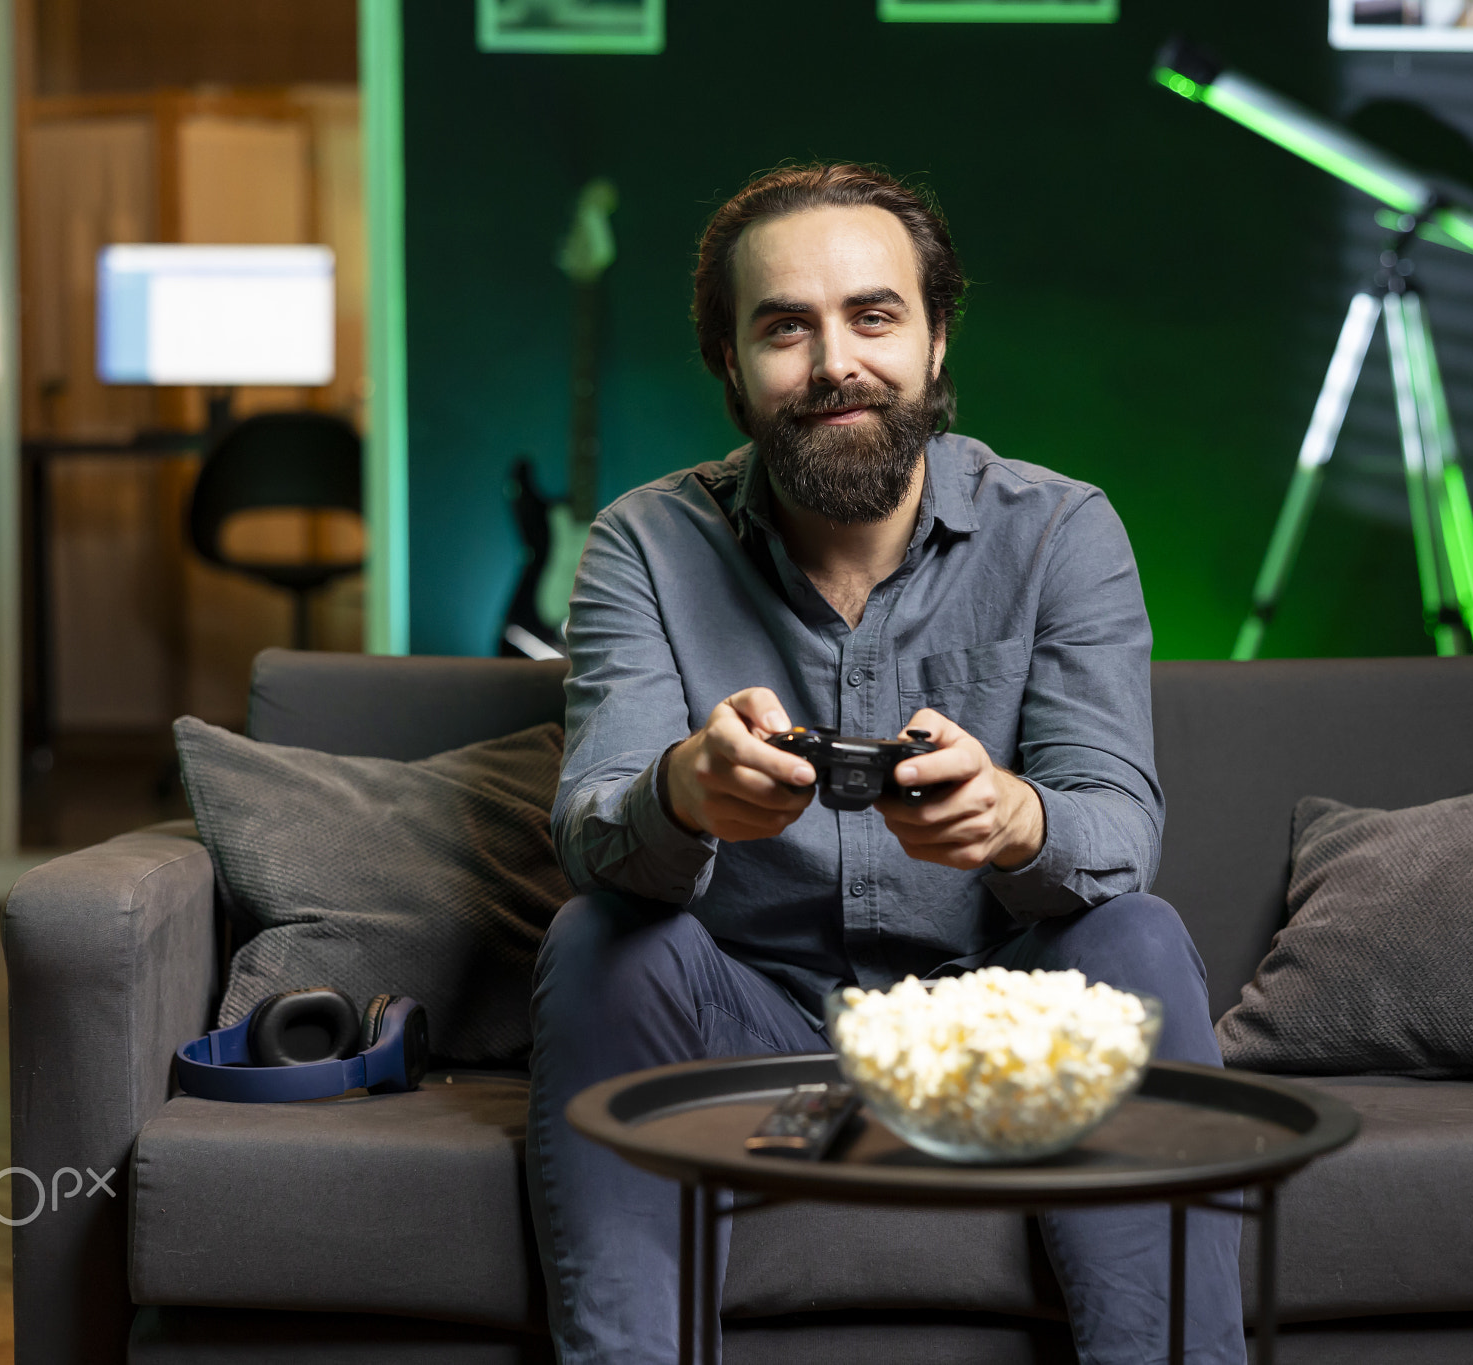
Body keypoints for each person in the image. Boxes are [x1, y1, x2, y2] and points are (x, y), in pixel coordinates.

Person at [531, 162, 1243, 1365]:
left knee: (1134, 933)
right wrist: (678, 796)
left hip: (991, 1033)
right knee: (600, 935)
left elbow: (1115, 824)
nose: (833, 365)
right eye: (783, 329)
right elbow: (595, 822)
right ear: (728, 367)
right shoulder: (643, 546)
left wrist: (1015, 819)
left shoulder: (1063, 531)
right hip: (741, 1038)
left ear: (934, 339)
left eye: (872, 316)